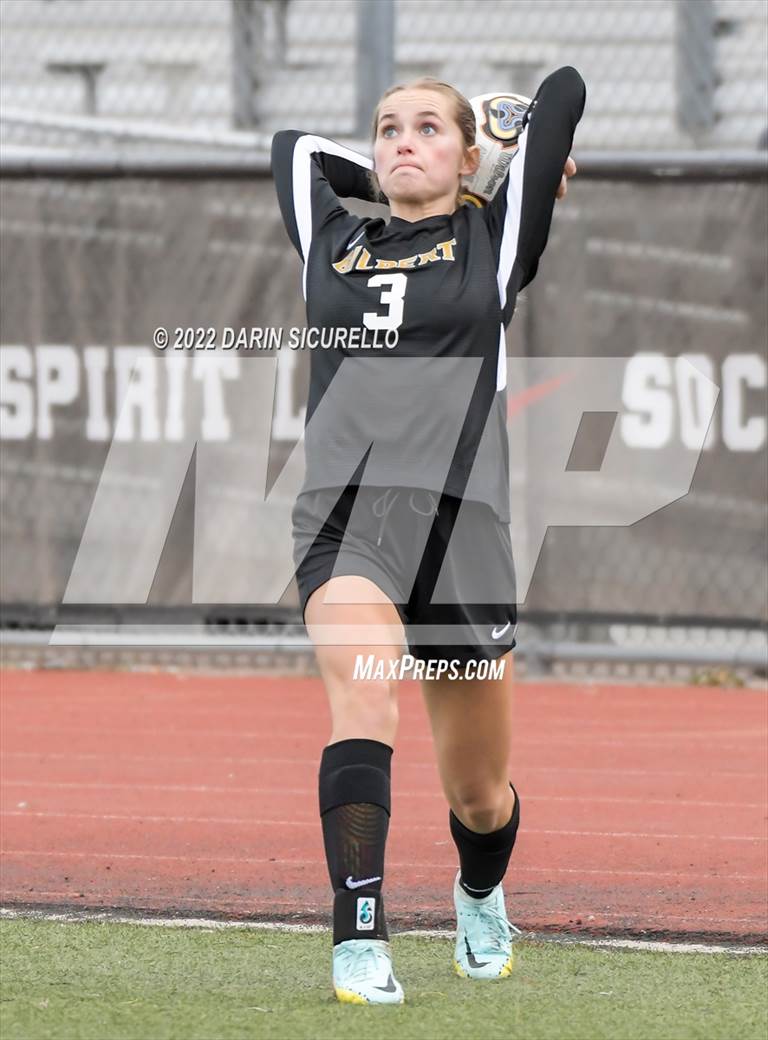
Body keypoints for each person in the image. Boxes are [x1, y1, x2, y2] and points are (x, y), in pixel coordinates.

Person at [271, 65, 586, 1005]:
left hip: (464, 533)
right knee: (366, 703)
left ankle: (480, 888)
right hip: (347, 519)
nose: (402, 141)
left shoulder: (490, 241)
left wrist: (506, 137)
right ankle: (358, 938)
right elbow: (294, 152)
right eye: (388, 129)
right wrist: (400, 174)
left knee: (480, 797)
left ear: (468, 155)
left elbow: (564, 94)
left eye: (426, 130)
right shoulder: (330, 239)